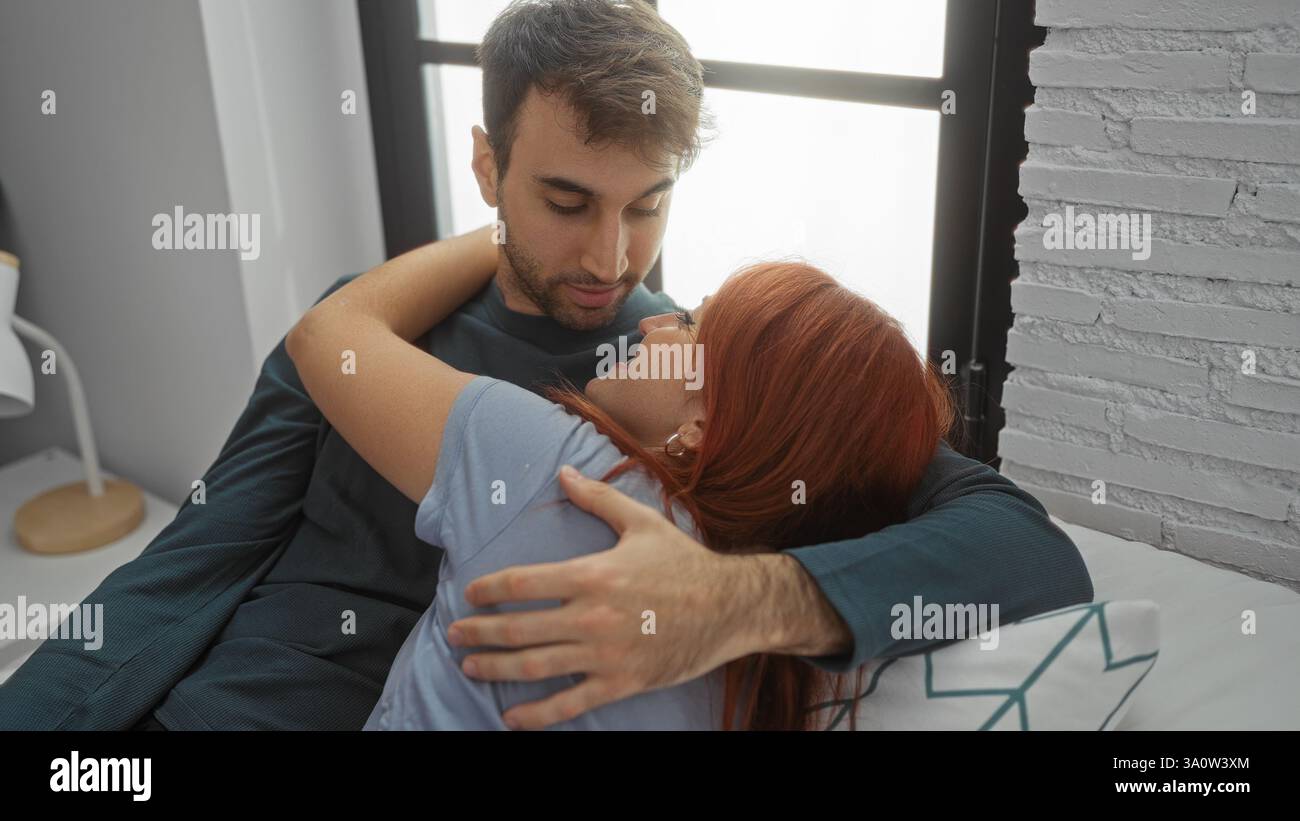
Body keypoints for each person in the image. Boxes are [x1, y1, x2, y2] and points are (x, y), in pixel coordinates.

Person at [0, 0, 1091, 731]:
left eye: (648, 204)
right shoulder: (364, 336)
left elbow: (1019, 544)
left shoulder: (723, 387)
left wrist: (736, 598)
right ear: (487, 164)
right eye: (566, 202)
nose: (611, 260)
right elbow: (196, 555)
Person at [287, 235, 955, 729]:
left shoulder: (564, 471)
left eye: (691, 323)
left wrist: (509, 239)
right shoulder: (794, 670)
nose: (652, 319)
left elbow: (326, 335)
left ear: (703, 425)